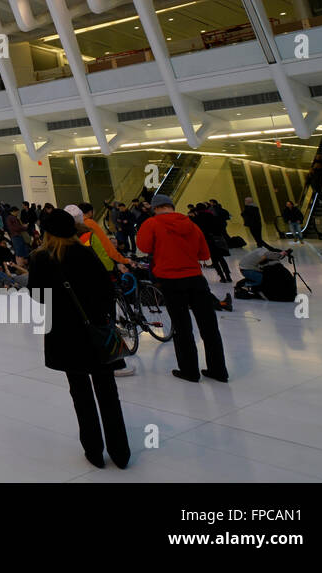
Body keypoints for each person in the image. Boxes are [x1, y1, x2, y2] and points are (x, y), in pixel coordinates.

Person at [28, 208, 130, 470]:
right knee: (108, 393)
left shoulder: (41, 259)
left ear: (46, 232)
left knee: (81, 393)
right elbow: (108, 291)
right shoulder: (85, 253)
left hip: (65, 335)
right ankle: (121, 452)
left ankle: (94, 450)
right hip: (96, 332)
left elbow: (38, 296)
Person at [136, 194, 229, 384]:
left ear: (154, 208)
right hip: (196, 279)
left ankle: (189, 371)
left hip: (170, 281)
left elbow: (143, 247)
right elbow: (204, 254)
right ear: (171, 206)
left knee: (182, 327)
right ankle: (218, 370)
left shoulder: (151, 224)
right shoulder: (191, 225)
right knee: (209, 327)